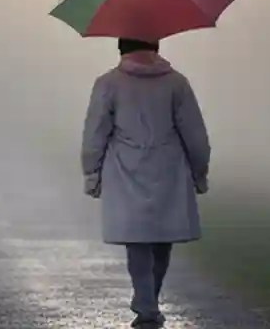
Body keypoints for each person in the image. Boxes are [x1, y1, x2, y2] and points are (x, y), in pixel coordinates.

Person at [81, 37, 211, 328]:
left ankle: (146, 304)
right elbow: (194, 133)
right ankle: (148, 301)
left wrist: (92, 172)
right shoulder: (177, 83)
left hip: (125, 169)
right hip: (169, 170)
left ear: (121, 48)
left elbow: (96, 131)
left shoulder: (108, 83)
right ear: (157, 47)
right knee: (162, 240)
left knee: (136, 241)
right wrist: (199, 171)